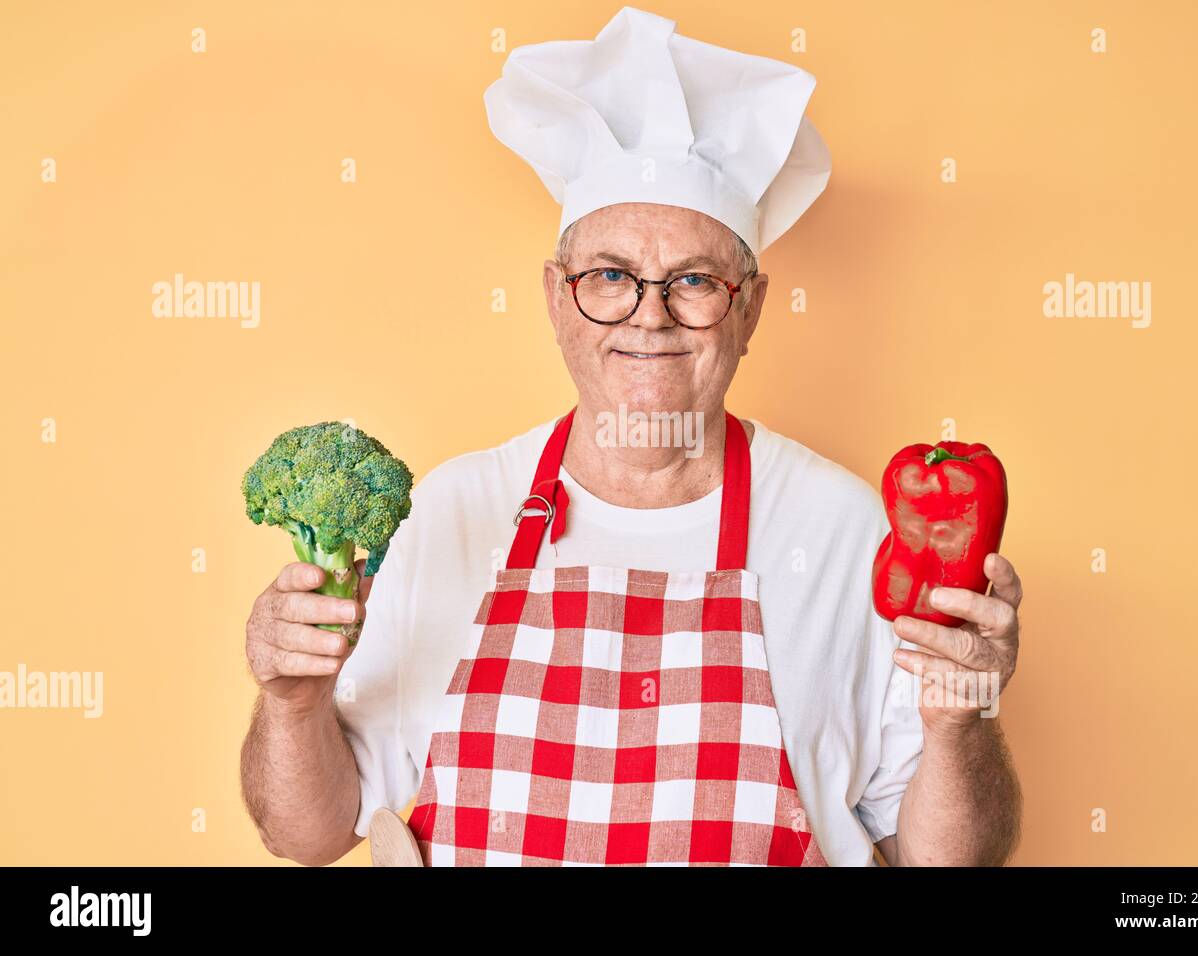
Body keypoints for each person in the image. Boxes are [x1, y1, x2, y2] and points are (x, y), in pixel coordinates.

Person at [240, 6, 1022, 867]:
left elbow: (954, 864)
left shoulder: (845, 530)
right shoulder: (449, 514)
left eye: (692, 280)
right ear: (553, 296)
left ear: (750, 306)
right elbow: (304, 835)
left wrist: (962, 720)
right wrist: (290, 702)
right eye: (609, 276)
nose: (649, 318)